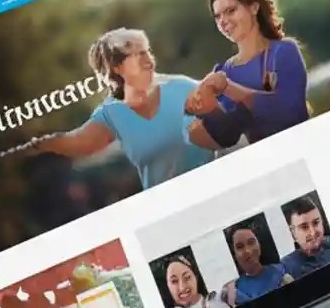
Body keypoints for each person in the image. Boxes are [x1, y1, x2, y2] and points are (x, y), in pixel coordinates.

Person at [31, 29, 215, 190]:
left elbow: (223, 110)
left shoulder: (182, 87)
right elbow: (81, 142)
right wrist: (40, 145)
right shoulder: (111, 113)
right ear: (117, 67)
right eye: (137, 55)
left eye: (147, 51)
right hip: (168, 204)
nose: (148, 60)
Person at [187, 0, 310, 149]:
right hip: (262, 161)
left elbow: (292, 114)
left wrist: (229, 88)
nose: (223, 21)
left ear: (254, 8)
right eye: (218, 16)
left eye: (230, 11)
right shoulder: (223, 72)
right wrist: (205, 108)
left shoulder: (283, 52)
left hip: (302, 149)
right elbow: (226, 135)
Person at [223, 222, 292, 306]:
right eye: (240, 247)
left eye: (251, 242)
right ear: (234, 254)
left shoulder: (282, 270)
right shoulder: (233, 291)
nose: (247, 251)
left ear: (259, 245)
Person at [163, 255, 230, 308]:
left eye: (187, 277)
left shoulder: (216, 304)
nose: (182, 287)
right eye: (174, 281)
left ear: (196, 277)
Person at [280, 196, 330, 279]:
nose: (313, 232)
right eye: (304, 227)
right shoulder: (285, 269)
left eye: (316, 223)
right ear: (293, 232)